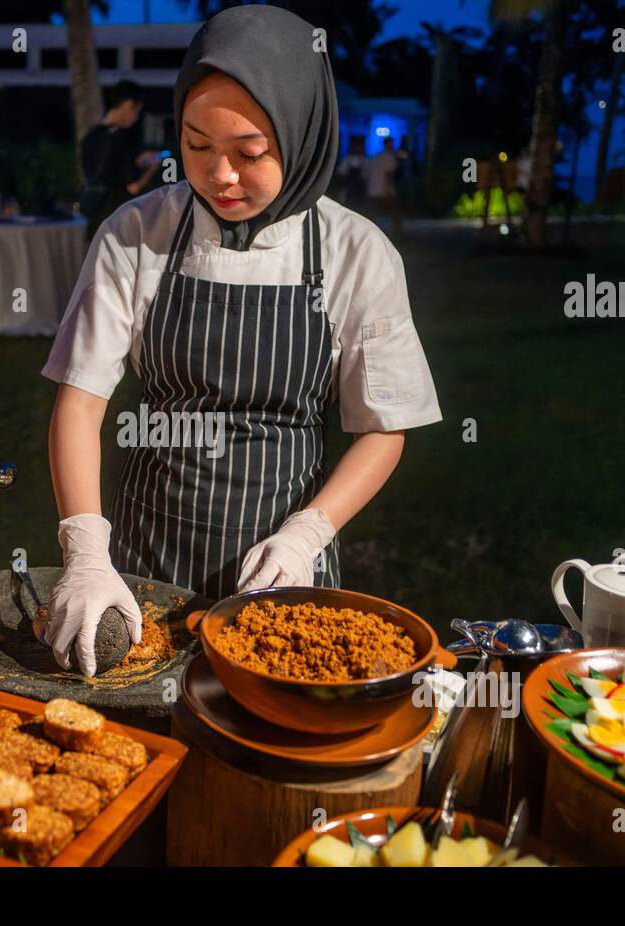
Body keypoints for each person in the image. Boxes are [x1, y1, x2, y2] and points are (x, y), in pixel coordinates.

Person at [39, 7, 442, 675]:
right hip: (146, 558)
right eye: (197, 146)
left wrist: (308, 534)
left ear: (303, 137)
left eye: (250, 153)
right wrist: (84, 551)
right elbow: (79, 402)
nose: (220, 175)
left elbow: (384, 428)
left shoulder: (356, 253)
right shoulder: (136, 234)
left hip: (284, 568)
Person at [79, 80, 160, 240]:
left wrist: (136, 161)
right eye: (137, 111)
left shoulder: (91, 136)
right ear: (128, 105)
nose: (136, 118)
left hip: (94, 221)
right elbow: (132, 188)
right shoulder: (121, 138)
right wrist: (152, 169)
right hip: (117, 222)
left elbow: (101, 171)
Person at [367, 135, 403, 238]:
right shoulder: (388, 157)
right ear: (388, 144)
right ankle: (398, 233)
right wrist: (388, 190)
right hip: (384, 190)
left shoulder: (375, 157)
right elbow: (389, 175)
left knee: (373, 213)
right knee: (394, 212)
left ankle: (370, 234)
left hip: (372, 189)